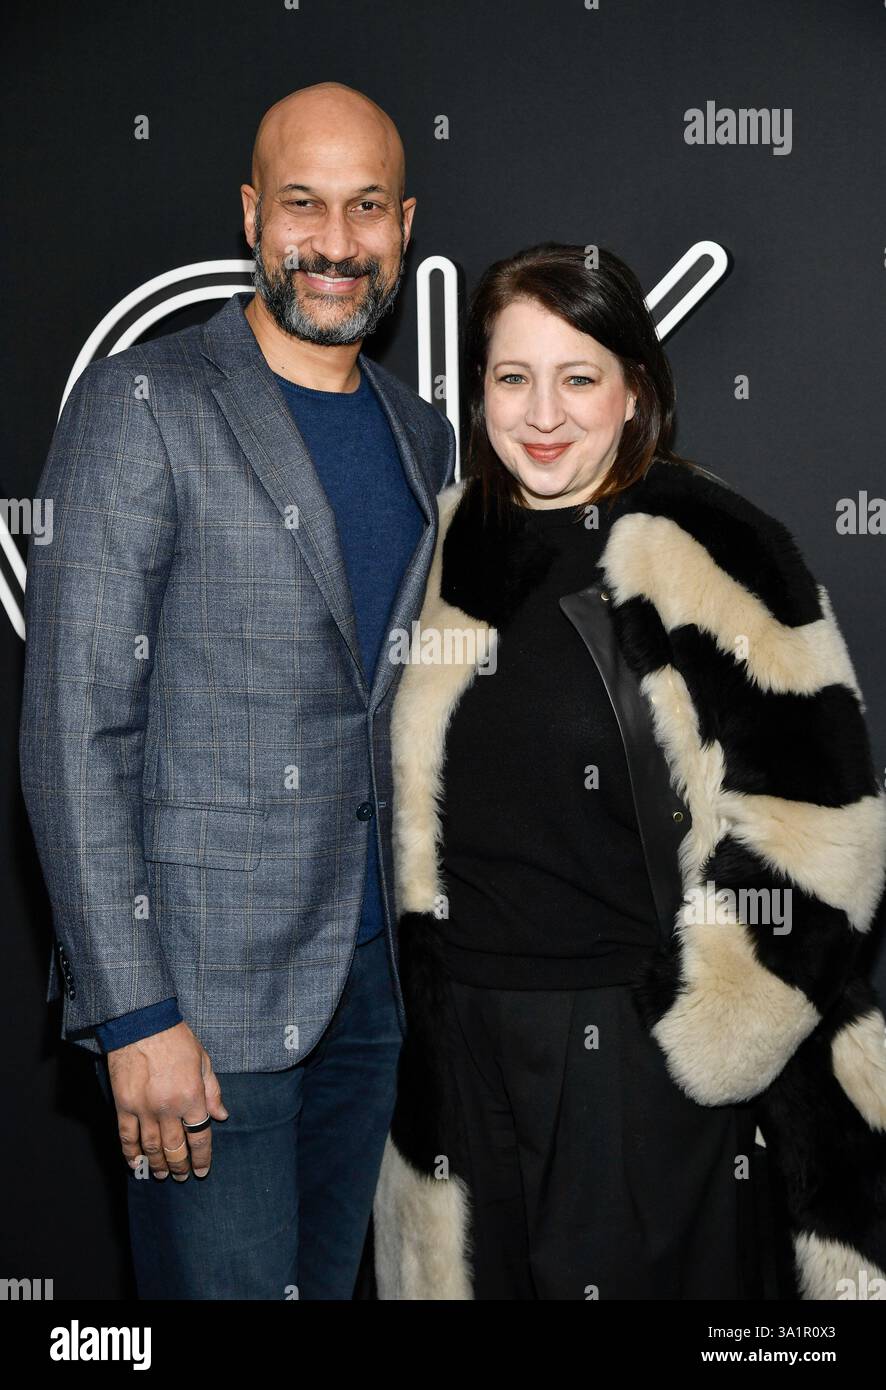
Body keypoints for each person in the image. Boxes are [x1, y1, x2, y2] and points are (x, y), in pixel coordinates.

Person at [372, 242, 886, 1300]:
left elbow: (825, 824)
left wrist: (708, 1038)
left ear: (634, 387)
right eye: (513, 377)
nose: (543, 412)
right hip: (463, 1049)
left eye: (579, 376)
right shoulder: (456, 537)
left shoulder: (709, 539)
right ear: (478, 389)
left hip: (633, 1061)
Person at [19, 82, 455, 1300]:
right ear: (253, 215)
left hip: (371, 993)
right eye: (303, 204)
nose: (334, 241)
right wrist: (133, 1012)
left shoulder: (420, 438)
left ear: (404, 224)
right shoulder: (145, 404)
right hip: (199, 1007)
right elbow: (71, 731)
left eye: (366, 207)